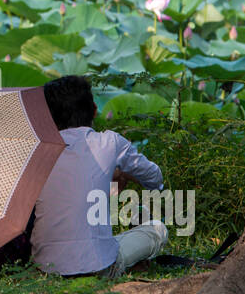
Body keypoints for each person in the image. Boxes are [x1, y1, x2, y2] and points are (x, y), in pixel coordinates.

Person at [27, 76, 169, 278]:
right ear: (94, 108)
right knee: (158, 229)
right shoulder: (110, 142)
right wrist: (122, 173)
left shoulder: (35, 151)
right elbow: (155, 178)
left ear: (47, 117)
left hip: (44, 268)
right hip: (99, 267)